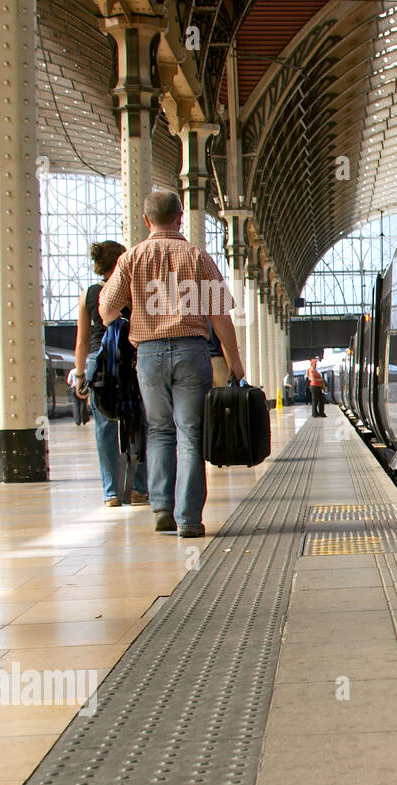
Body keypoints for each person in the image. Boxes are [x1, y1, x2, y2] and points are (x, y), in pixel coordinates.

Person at [99, 191, 245, 538]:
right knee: (191, 433)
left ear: (147, 221)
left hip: (148, 355)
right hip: (192, 352)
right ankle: (189, 519)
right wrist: (234, 363)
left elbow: (105, 312)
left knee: (159, 430)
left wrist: (136, 311)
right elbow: (219, 315)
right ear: (180, 217)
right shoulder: (197, 256)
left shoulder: (131, 258)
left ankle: (162, 508)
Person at [74, 240, 148, 507]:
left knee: (104, 427)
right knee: (138, 421)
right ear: (121, 261)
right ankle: (139, 487)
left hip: (99, 363)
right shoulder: (132, 292)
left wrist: (81, 374)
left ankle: (111, 493)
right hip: (130, 360)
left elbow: (82, 339)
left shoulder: (88, 294)